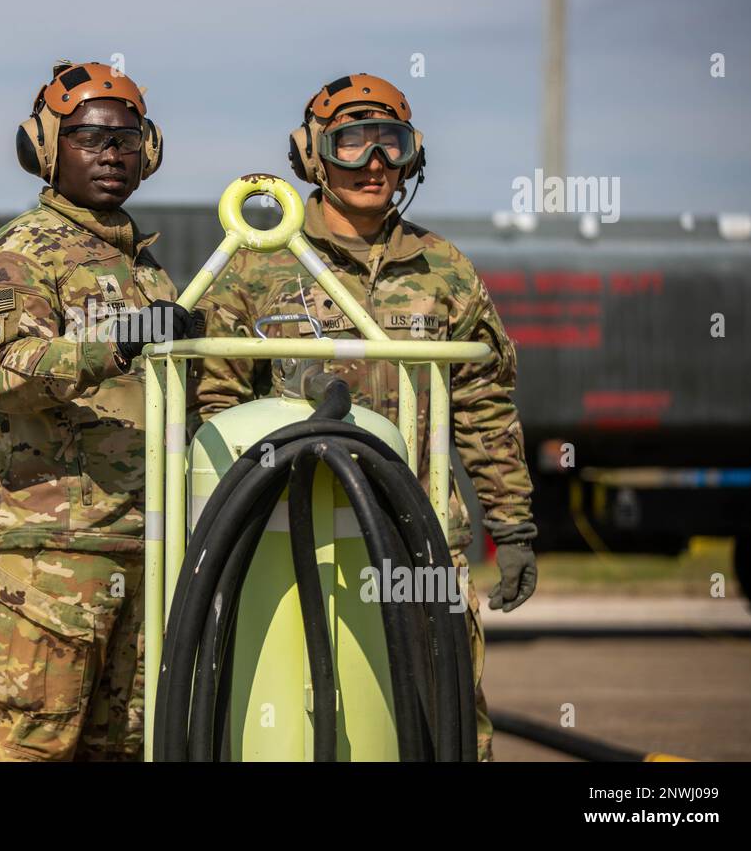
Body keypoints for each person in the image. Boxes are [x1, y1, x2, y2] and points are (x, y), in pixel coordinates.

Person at [189, 73, 538, 761]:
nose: (374, 163)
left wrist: (513, 524)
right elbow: (215, 407)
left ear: (413, 155)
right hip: (297, 541)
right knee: (302, 719)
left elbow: (484, 405)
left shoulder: (444, 270)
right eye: (351, 143)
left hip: (421, 539)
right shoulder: (261, 266)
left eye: (391, 143)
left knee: (444, 723)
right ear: (313, 155)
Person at [0, 61, 191, 761]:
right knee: (34, 744)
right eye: (89, 138)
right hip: (58, 551)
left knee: (128, 747)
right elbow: (1, 373)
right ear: (45, 148)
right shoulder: (17, 256)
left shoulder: (144, 268)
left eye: (126, 140)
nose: (111, 154)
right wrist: (114, 344)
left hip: (145, 545)